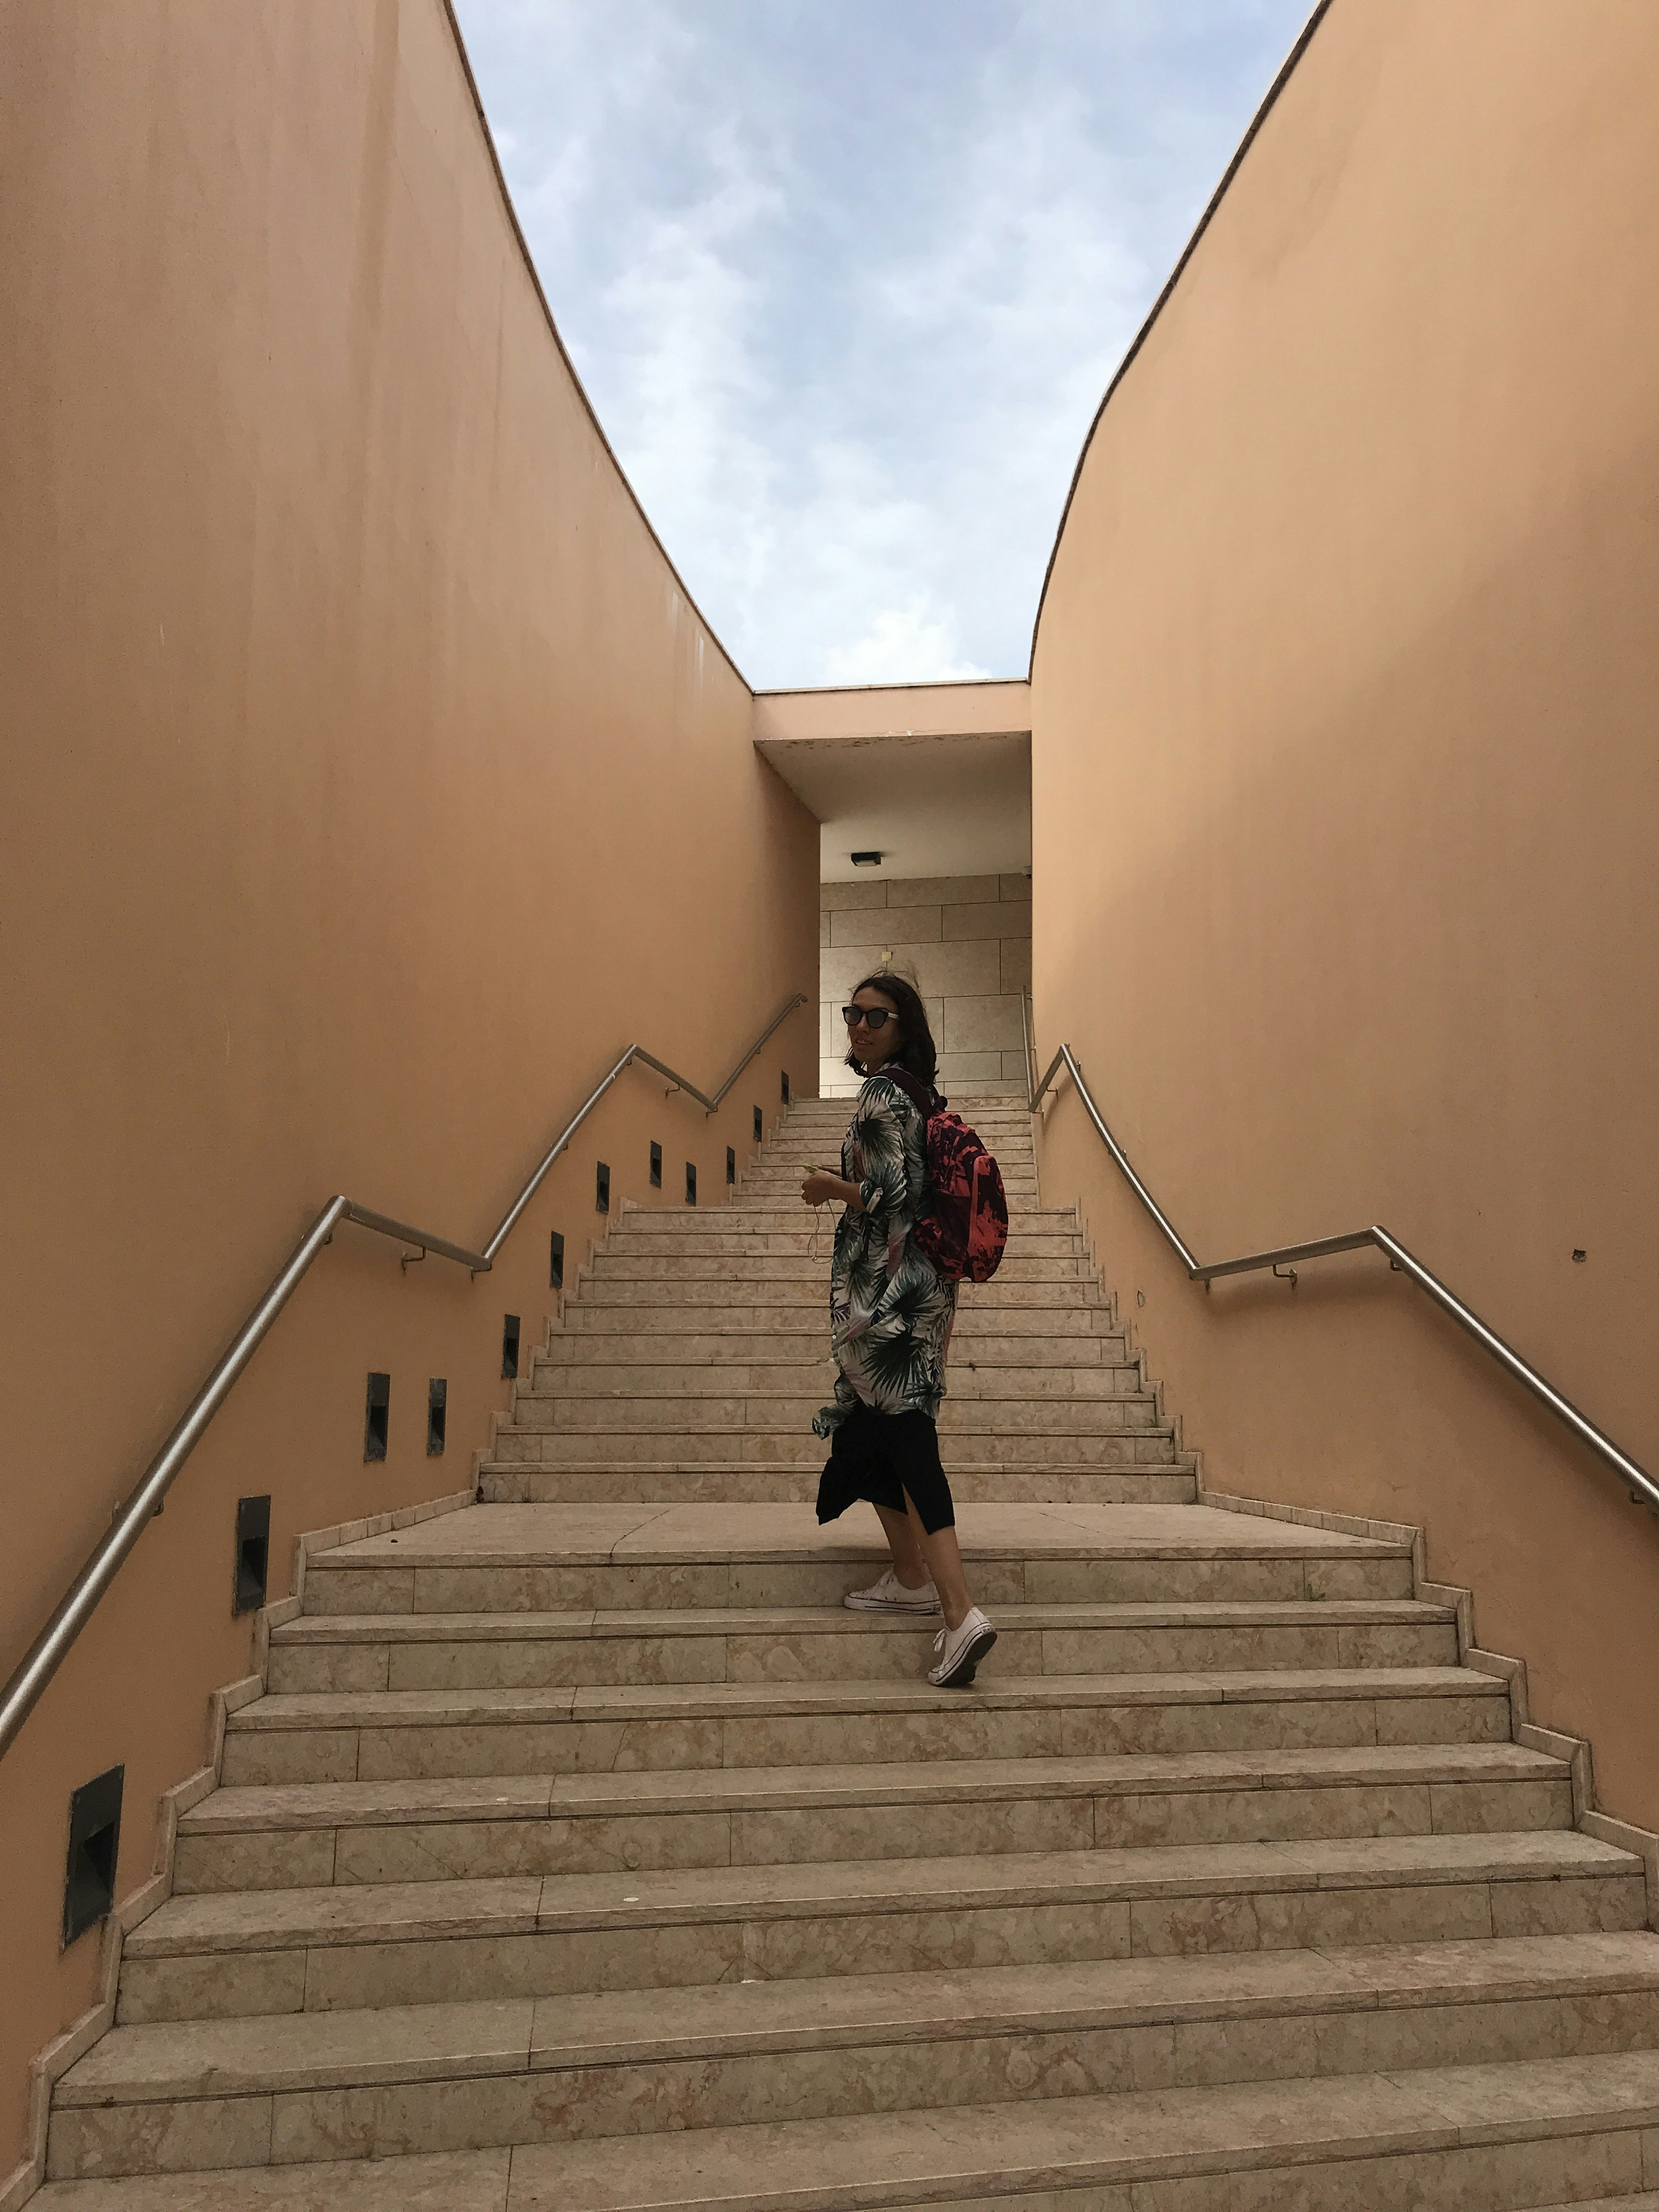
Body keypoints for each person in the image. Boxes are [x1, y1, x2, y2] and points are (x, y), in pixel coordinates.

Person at [801, 970, 997, 1688]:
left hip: (885, 1296)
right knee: (866, 1435)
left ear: (903, 1027)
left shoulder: (884, 1094)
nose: (858, 1026)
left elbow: (892, 1197)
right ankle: (912, 1578)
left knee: (907, 1441)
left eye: (875, 1017)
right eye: (851, 1013)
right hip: (921, 1294)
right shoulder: (924, 1098)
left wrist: (829, 1186)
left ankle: (958, 1612)